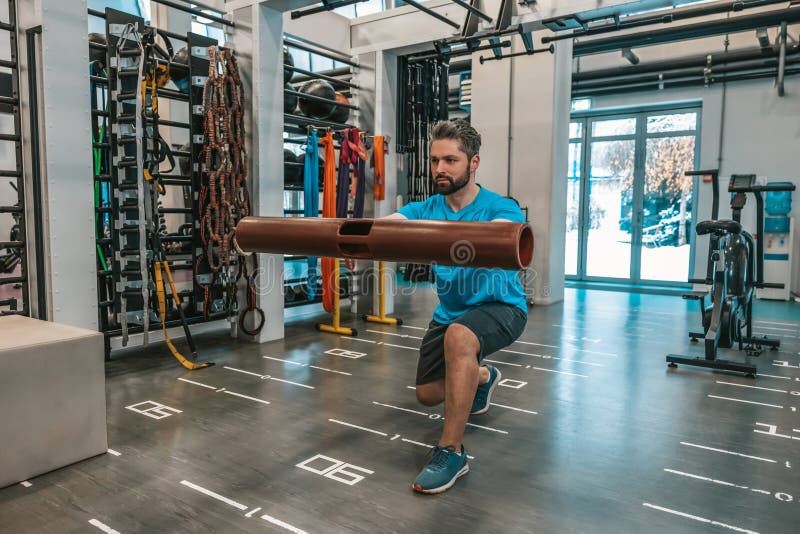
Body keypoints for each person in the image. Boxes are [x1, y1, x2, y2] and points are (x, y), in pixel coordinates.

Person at [384, 119, 528, 494]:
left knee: (461, 338)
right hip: (450, 312)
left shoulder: (501, 206)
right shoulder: (428, 207)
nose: (440, 170)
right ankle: (482, 375)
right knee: (428, 395)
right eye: (434, 161)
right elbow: (393, 223)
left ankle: (452, 451)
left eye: (450, 160)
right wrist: (373, 236)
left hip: (501, 306)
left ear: (474, 162)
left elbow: (502, 231)